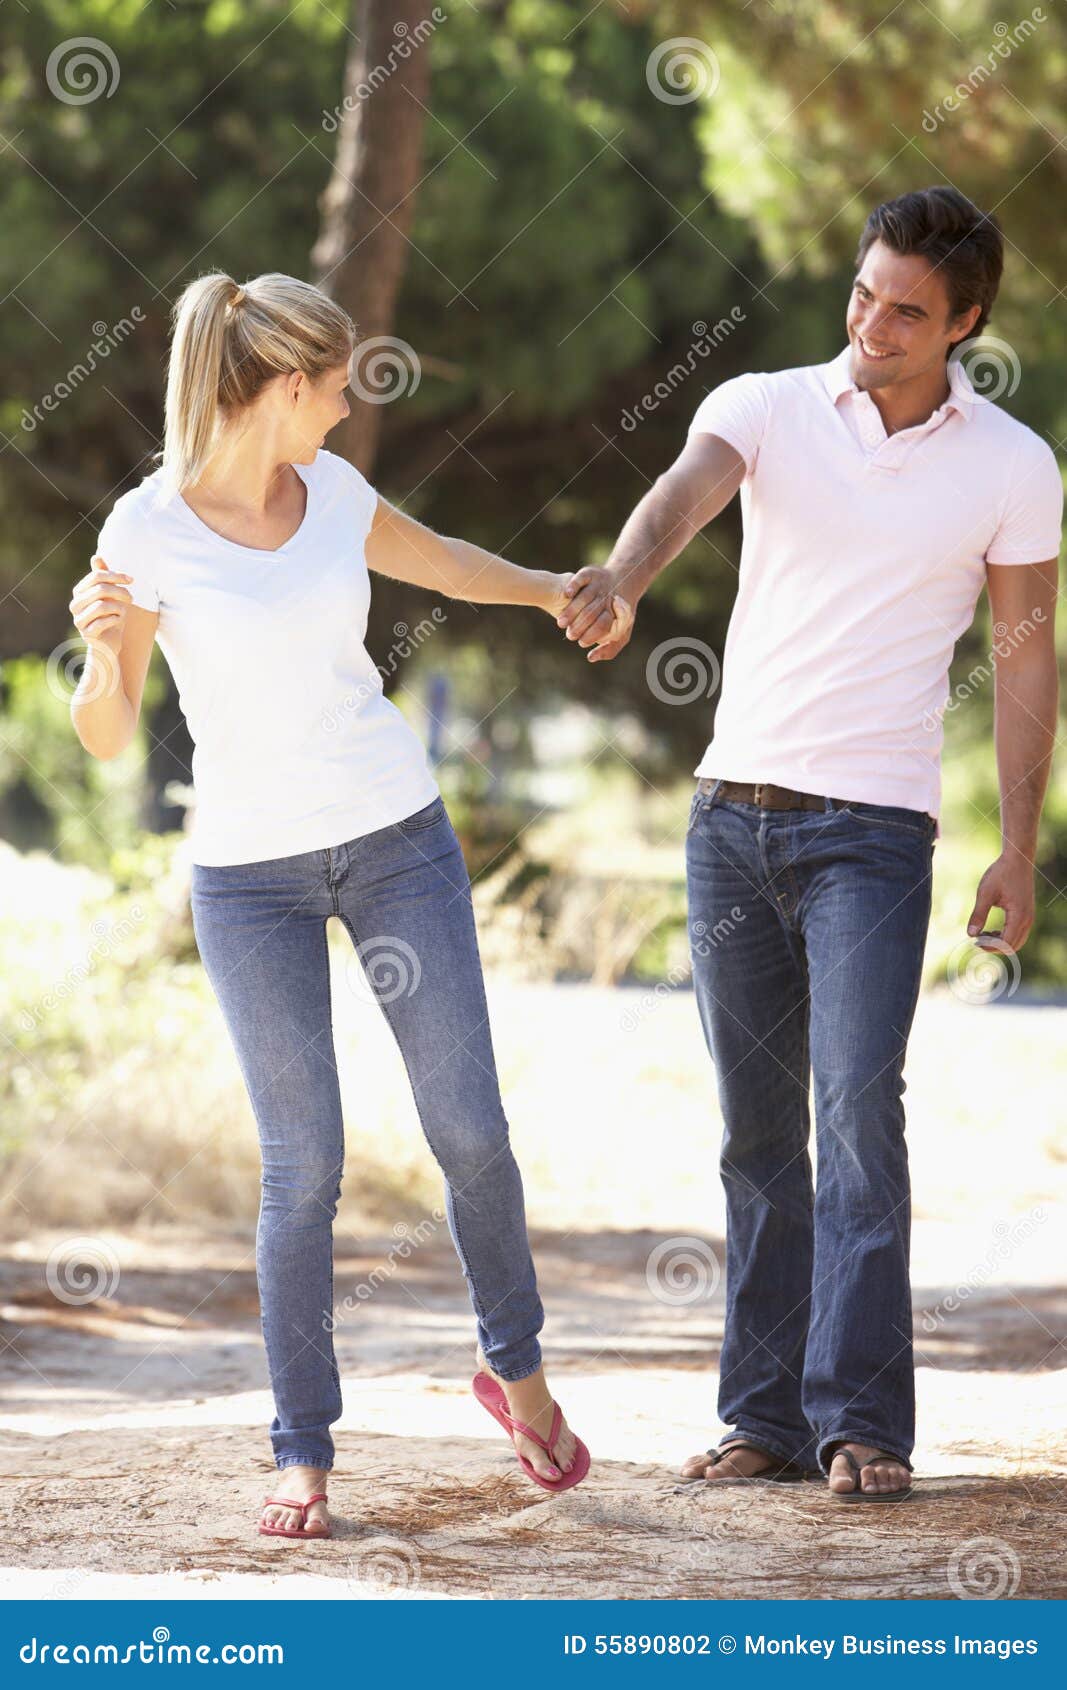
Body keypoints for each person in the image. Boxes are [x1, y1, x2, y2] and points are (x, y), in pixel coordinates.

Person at [70, 271, 629, 1538]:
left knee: (469, 1128)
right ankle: (300, 1448)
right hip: (249, 877)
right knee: (302, 1164)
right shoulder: (146, 528)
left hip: (393, 840)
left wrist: (552, 587)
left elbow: (440, 562)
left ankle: (517, 1373)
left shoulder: (333, 494)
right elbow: (106, 737)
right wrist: (102, 652)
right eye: (333, 389)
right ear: (279, 389)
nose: (342, 408)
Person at [556, 187, 1062, 1500]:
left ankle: (860, 1424)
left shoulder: (1008, 465)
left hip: (871, 839)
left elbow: (1019, 658)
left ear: (962, 323)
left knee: (853, 1112)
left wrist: (1016, 845)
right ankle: (761, 1417)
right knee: (752, 1134)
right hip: (730, 820)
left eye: (904, 311)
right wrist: (620, 577)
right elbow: (679, 496)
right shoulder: (765, 403)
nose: (870, 324)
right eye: (860, 294)